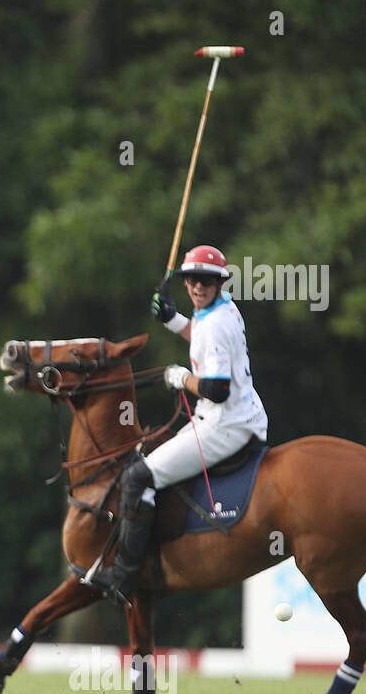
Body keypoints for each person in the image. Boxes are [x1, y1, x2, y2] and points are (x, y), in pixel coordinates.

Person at [85, 244, 268, 606]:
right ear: (184, 282)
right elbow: (199, 334)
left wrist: (180, 378)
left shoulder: (215, 323)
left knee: (137, 477)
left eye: (206, 281)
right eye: (192, 280)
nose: (198, 286)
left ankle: (124, 579)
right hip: (241, 416)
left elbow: (216, 389)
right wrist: (173, 319)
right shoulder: (223, 308)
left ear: (219, 283)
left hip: (223, 424)